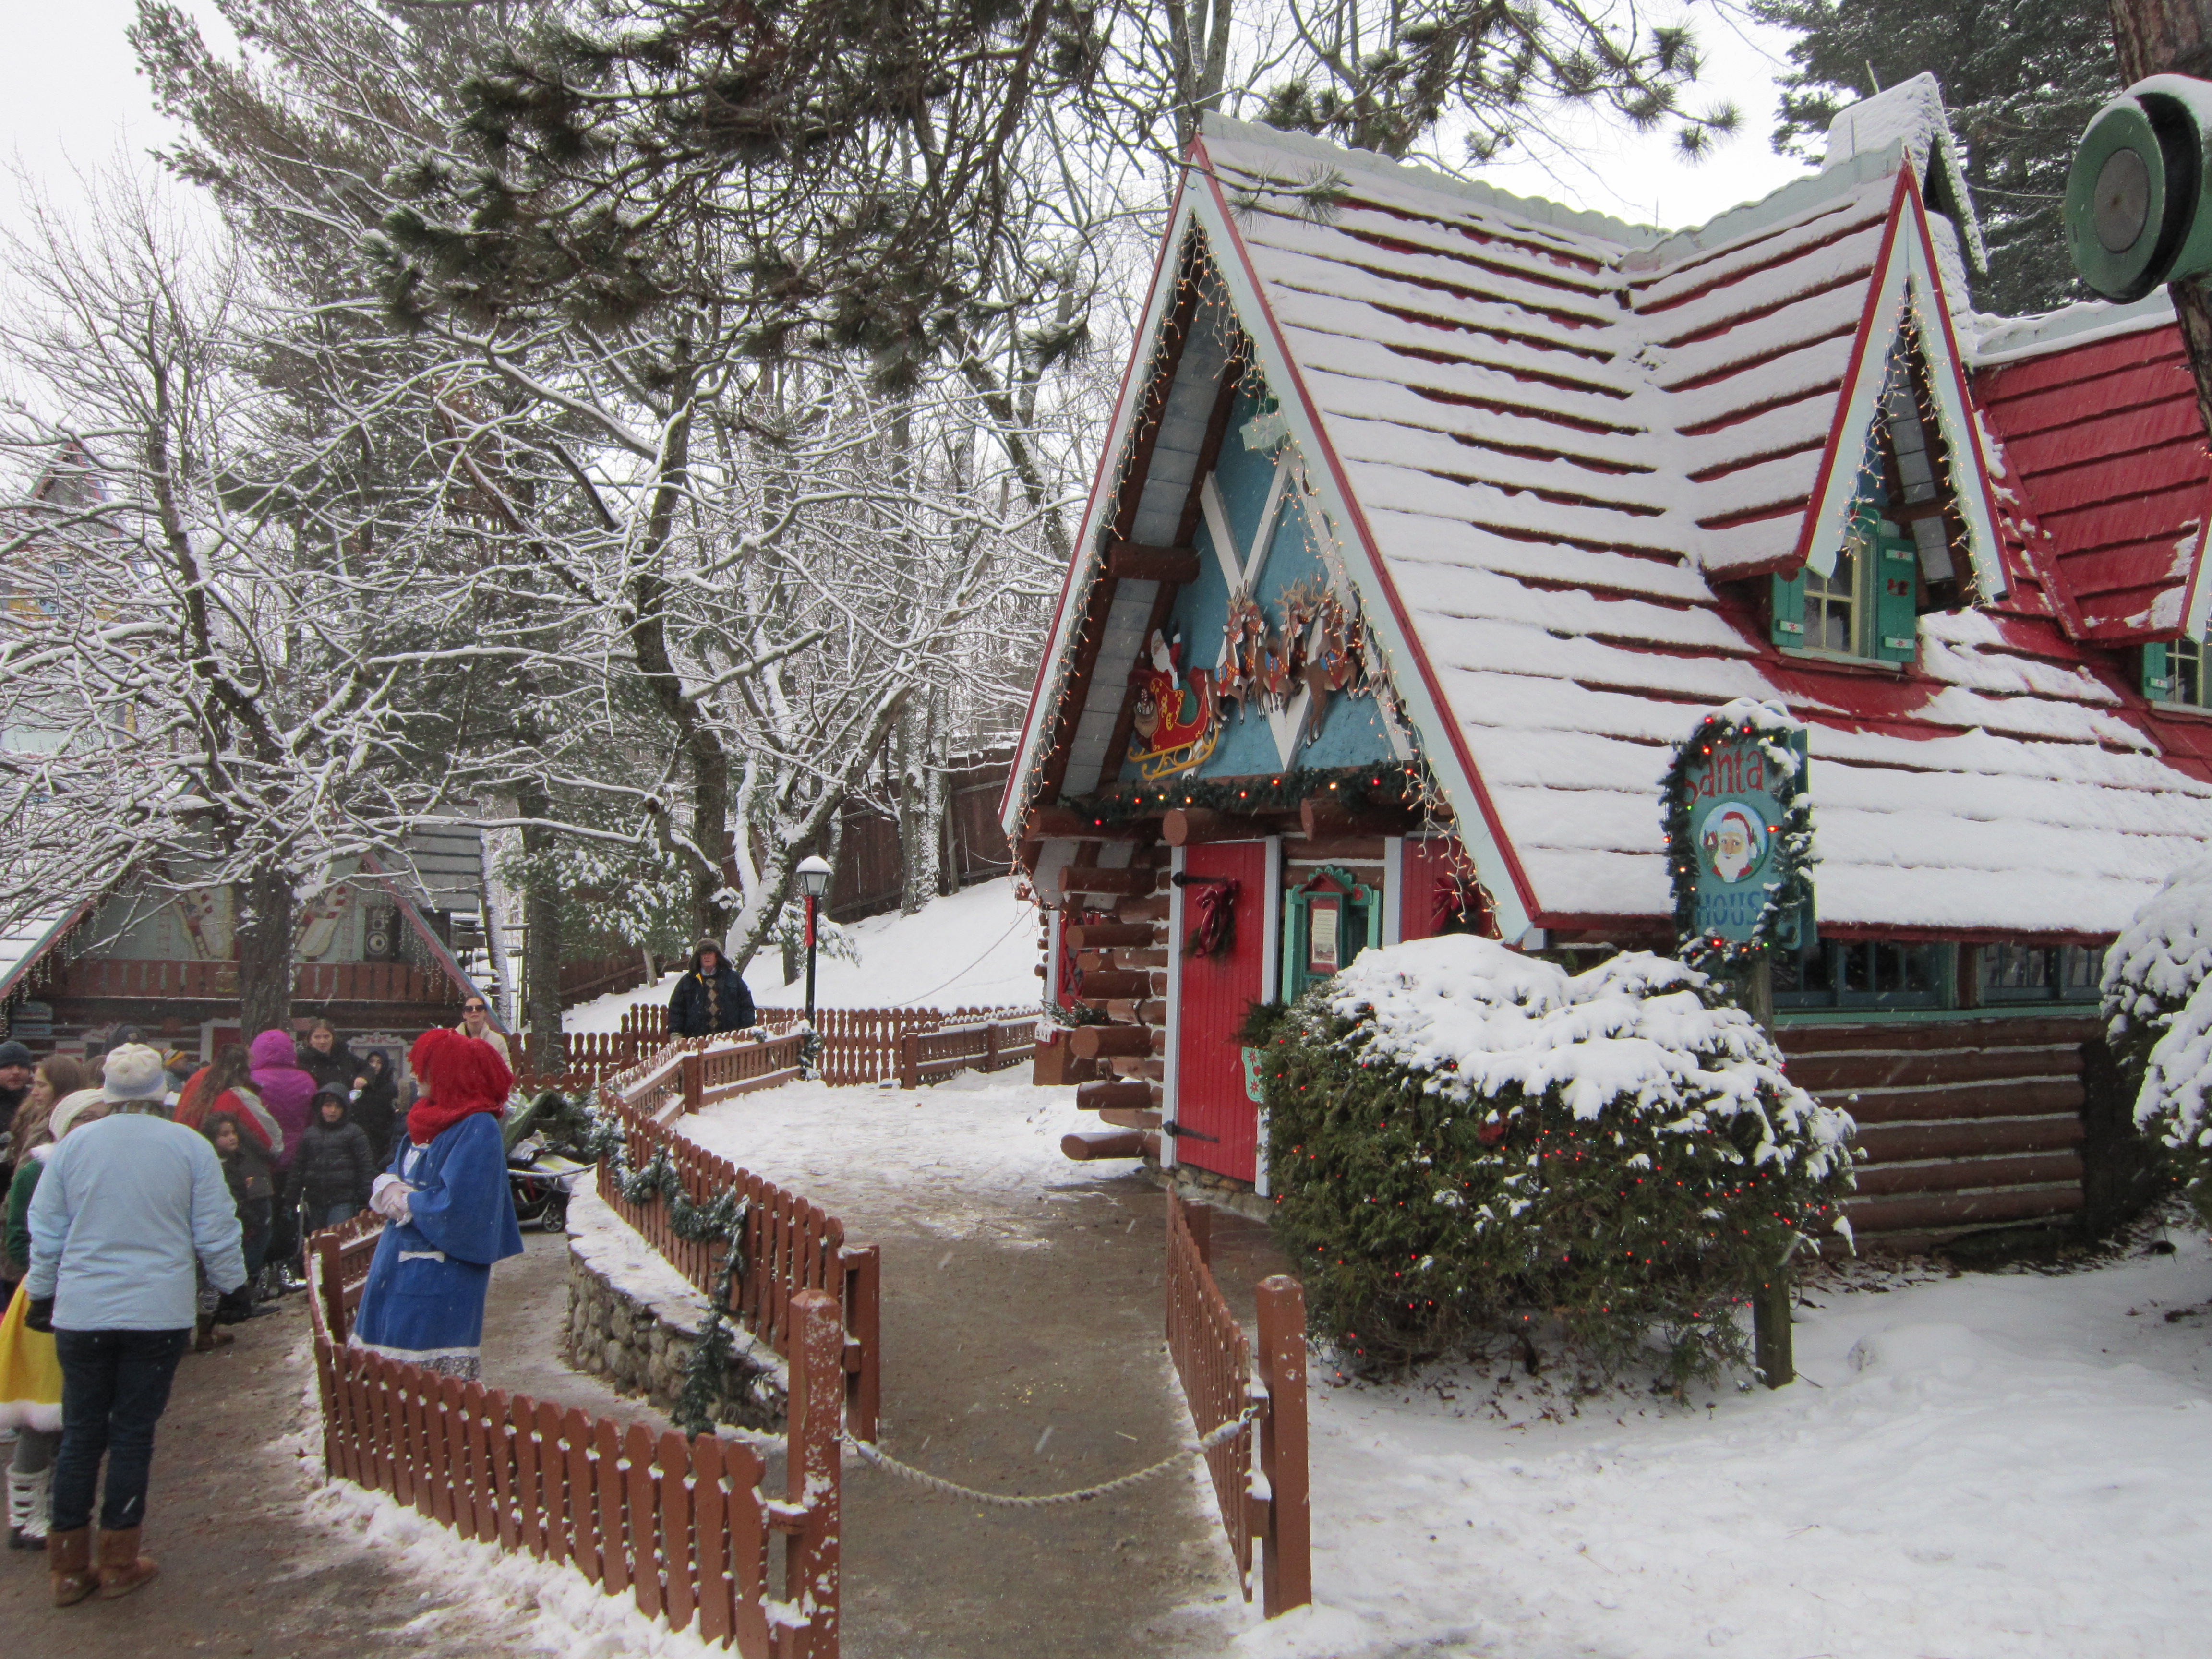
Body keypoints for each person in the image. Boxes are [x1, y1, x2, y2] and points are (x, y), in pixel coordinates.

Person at [24, 1045, 246, 1605]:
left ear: (108, 1093)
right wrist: (231, 1285)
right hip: (156, 1313)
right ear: (158, 1094)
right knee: (132, 1434)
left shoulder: (73, 1147)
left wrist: (44, 1294)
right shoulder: (188, 1147)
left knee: (80, 1435)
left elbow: (46, 1231)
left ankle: (69, 1569)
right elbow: (216, 1226)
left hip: (82, 1311)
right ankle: (120, 1560)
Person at [349, 1030, 522, 1381]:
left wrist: (409, 1201)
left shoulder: (478, 1128)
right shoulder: (425, 1118)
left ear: (447, 1072)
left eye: (425, 1067)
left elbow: (463, 1207)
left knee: (427, 1387)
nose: (415, 1075)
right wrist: (389, 1186)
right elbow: (400, 1170)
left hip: (441, 1275)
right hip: (395, 1265)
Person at [0, 1088, 104, 1550]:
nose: (96, 1126)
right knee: (40, 1413)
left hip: (94, 1298)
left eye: (104, 1117)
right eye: (86, 1119)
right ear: (65, 1125)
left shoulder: (109, 1170)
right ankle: (24, 1519)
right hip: (45, 1300)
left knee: (77, 1413)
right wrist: (52, 1275)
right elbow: (19, 1239)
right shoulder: (37, 1171)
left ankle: (65, 1509)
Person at [1, 1058, 87, 1308]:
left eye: (42, 1085)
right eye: (34, 1085)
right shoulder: (34, 1116)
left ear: (61, 1088)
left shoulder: (56, 1127)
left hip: (34, 1229)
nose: (35, 1092)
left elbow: (25, 1180)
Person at [174, 1045, 283, 1162]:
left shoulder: (199, 1079)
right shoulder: (235, 1096)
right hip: (223, 1160)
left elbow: (183, 1117)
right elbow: (270, 1142)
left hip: (186, 1151)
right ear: (243, 1070)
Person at [289, 1092, 374, 1230]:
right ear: (320, 1108)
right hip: (315, 1198)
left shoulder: (354, 1133)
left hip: (343, 1199)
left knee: (336, 1239)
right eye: (328, 1106)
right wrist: (290, 1197)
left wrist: (367, 1198)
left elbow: (365, 1166)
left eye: (338, 1107)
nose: (333, 1111)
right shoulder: (310, 1134)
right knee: (318, 1241)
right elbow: (298, 1167)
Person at [669, 938, 755, 1038]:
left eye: (710, 953)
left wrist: (747, 1031)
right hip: (696, 1041)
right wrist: (676, 1034)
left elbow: (746, 1006)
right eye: (703, 954)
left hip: (730, 1040)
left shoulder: (732, 978)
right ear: (698, 957)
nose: (706, 956)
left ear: (717, 956)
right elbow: (676, 1010)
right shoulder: (688, 981)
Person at [349, 1050, 399, 1165]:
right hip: (362, 1136)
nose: (375, 1066)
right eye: (371, 1062)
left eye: (379, 1063)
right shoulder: (360, 1088)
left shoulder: (390, 1088)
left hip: (382, 1139)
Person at [296, 1021, 360, 1095]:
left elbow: (367, 1068)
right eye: (317, 1037)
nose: (322, 1041)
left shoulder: (344, 1056)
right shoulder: (301, 1061)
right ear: (310, 1040)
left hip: (340, 1104)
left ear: (333, 1038)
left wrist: (363, 1078)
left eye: (326, 1037)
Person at [453, 996, 512, 1068]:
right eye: (469, 1009)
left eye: (479, 1008)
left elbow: (506, 1073)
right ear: (464, 1014)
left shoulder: (498, 1041)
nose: (474, 1011)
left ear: (485, 1013)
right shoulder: (453, 1041)